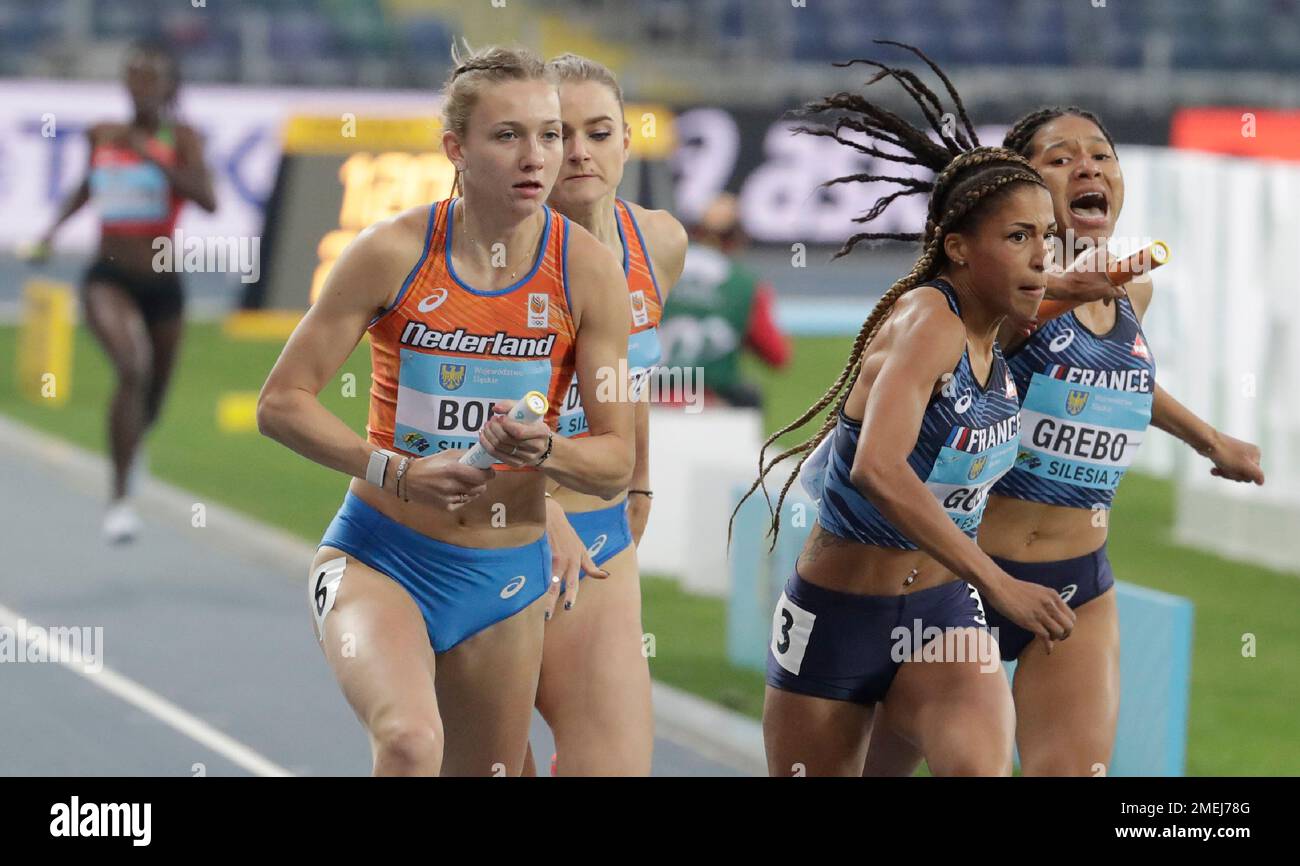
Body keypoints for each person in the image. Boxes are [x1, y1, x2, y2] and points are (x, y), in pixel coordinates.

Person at [256, 43, 634, 776]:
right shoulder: (392, 252)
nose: (537, 158)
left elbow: (617, 462)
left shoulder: (586, 271)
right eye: (508, 136)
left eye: (549, 135)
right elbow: (281, 403)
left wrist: (543, 449)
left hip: (504, 581)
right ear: (455, 149)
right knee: (408, 741)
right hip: (381, 555)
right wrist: (395, 472)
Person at [862, 106, 1266, 777]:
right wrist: (1061, 285)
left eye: (1101, 155)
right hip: (956, 577)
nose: (1088, 167)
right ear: (1021, 190)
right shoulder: (994, 298)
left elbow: (1111, 380)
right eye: (1061, 158)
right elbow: (983, 335)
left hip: (1077, 581)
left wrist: (1210, 440)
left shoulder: (1134, 287)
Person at [732, 43, 1075, 777]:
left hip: (944, 618)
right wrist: (999, 579)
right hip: (838, 618)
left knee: (979, 768)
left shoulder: (999, 325)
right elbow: (879, 468)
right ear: (955, 247)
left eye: (1047, 237)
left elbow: (1065, 292)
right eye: (1019, 237)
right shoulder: (930, 320)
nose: (1041, 255)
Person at [515, 52, 687, 776]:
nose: (580, 152)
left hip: (602, 537)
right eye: (559, 134)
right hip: (489, 528)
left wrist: (639, 483)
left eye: (599, 131)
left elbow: (630, 376)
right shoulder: (497, 254)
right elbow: (445, 408)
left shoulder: (659, 242)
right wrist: (537, 510)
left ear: (625, 141)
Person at [31, 39, 216, 543]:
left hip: (162, 282)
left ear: (168, 87)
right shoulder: (102, 134)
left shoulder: (182, 137)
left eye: (149, 78)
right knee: (131, 368)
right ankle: (119, 500)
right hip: (106, 276)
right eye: (131, 77)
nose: (139, 88)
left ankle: (134, 443)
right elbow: (87, 186)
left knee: (153, 393)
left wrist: (154, 157)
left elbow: (209, 200)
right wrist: (52, 230)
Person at [656, 192, 791, 408]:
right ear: (736, 238)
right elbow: (777, 355)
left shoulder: (655, 270)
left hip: (645, 395)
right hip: (710, 399)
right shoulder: (746, 285)